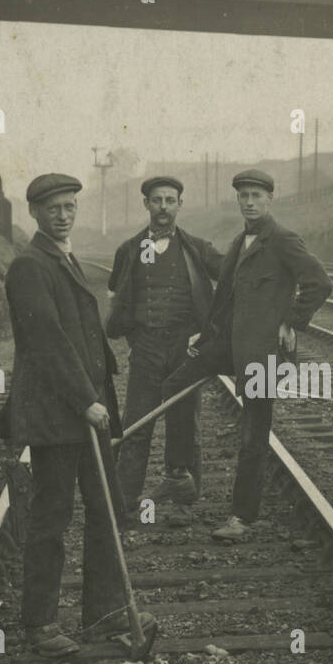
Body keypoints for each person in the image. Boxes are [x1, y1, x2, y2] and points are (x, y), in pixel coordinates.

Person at [3, 173, 154, 657]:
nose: (64, 215)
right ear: (34, 213)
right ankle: (40, 624)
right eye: (54, 209)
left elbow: (87, 335)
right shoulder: (29, 266)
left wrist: (101, 394)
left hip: (89, 409)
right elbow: (46, 340)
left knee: (106, 507)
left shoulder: (63, 257)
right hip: (58, 414)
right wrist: (84, 398)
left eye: (69, 206)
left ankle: (106, 612)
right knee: (51, 515)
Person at [164, 168, 331, 542]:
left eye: (257, 196)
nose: (250, 202)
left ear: (270, 199)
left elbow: (320, 282)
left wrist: (291, 322)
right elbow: (226, 299)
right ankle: (178, 475)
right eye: (244, 196)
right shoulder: (241, 241)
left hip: (263, 355)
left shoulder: (283, 240)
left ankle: (242, 518)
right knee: (174, 385)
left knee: (253, 435)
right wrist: (205, 338)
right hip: (231, 344)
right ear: (238, 200)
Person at [105, 175, 224, 527]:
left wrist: (206, 333)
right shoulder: (128, 250)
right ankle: (125, 505)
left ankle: (183, 504)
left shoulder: (198, 248)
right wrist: (133, 339)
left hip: (185, 349)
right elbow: (117, 296)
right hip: (146, 348)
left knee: (186, 423)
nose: (163, 207)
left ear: (179, 205)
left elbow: (234, 275)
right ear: (146, 205)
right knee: (137, 424)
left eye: (170, 200)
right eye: (157, 200)